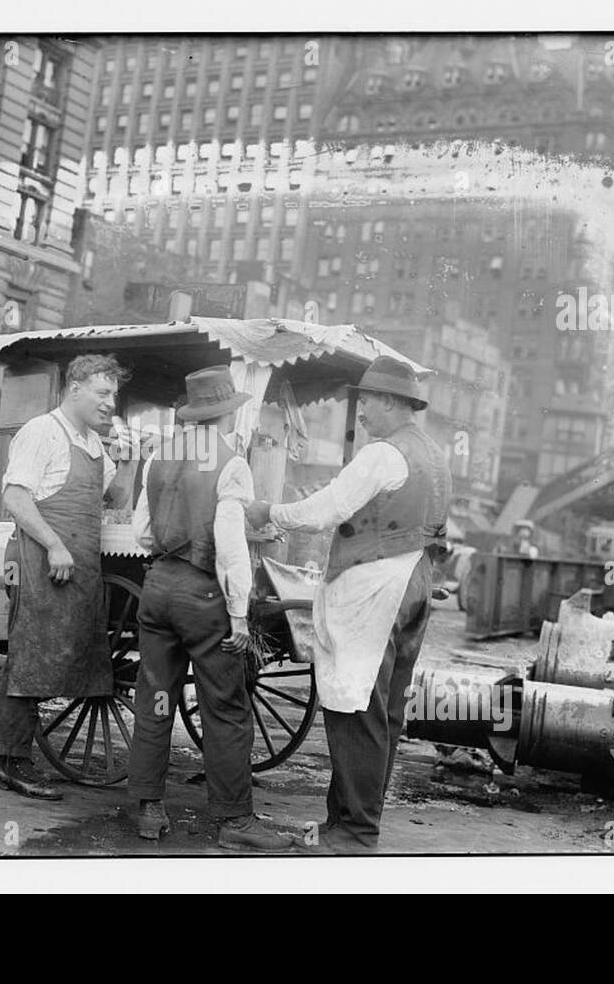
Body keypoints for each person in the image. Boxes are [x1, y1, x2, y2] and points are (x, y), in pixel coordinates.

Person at [245, 355, 451, 852]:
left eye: (367, 404)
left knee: (354, 704)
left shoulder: (383, 454)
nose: (362, 415)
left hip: (378, 583)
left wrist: (267, 511)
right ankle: (348, 821)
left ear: (389, 402)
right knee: (385, 709)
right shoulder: (433, 455)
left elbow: (327, 510)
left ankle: (355, 830)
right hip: (415, 577)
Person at [128, 365, 295, 852]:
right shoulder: (231, 463)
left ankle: (148, 810)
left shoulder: (160, 455)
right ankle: (234, 821)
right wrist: (240, 614)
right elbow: (230, 546)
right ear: (227, 414)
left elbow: (142, 532)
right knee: (225, 708)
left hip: (156, 588)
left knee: (156, 699)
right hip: (202, 597)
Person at [0, 354, 128, 799]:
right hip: (42, 559)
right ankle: (13, 762)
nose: (110, 404)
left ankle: (1, 746)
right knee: (32, 654)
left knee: (52, 653)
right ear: (75, 387)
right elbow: (14, 496)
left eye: (114, 396)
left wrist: (124, 457)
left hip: (76, 565)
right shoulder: (41, 431)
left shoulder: (93, 444)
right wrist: (53, 544)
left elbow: (112, 496)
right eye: (103, 394)